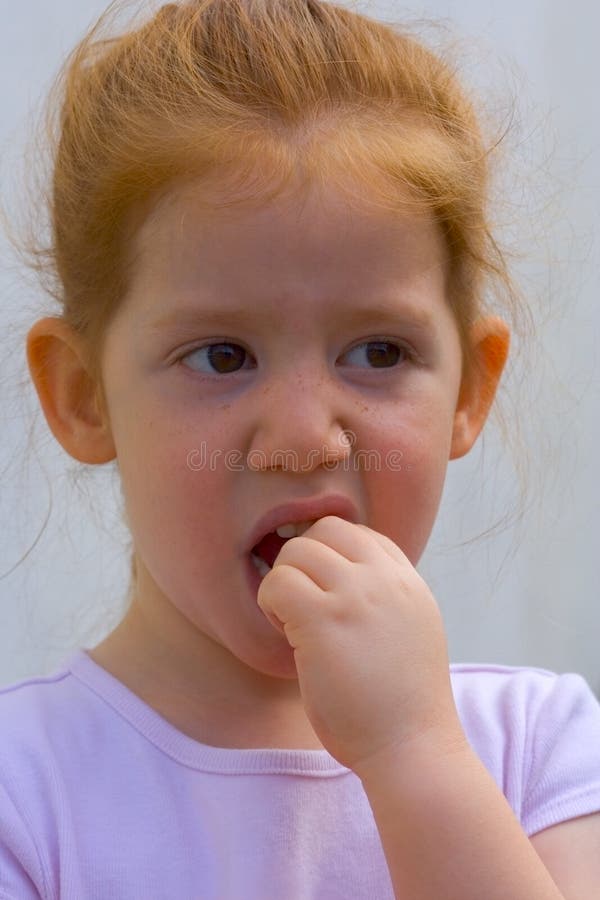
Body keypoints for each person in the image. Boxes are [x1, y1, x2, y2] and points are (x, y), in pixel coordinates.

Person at [2, 1, 600, 897]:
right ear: (84, 396)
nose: (303, 440)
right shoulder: (25, 791)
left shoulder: (537, 749)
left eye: (378, 353)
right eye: (221, 356)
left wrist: (414, 756)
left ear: (470, 390)